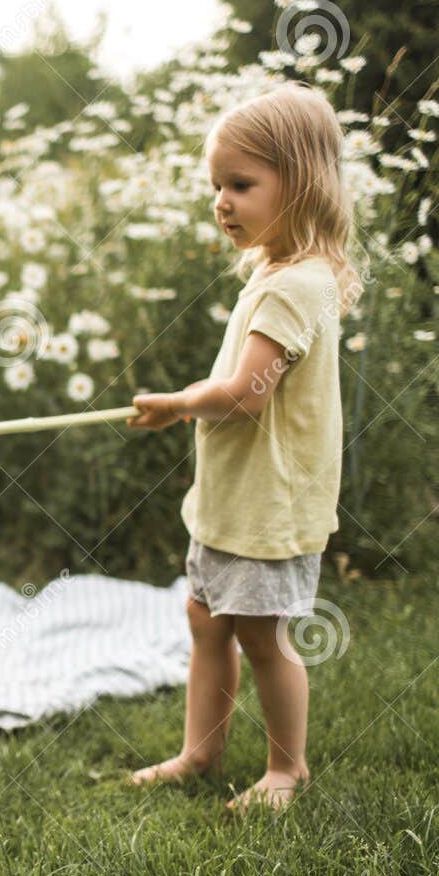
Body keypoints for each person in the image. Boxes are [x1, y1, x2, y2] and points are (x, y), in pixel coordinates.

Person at [126, 82, 358, 812]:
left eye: (241, 184)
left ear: (302, 182)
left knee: (263, 637)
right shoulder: (276, 269)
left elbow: (247, 392)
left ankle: (287, 771)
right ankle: (202, 750)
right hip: (234, 498)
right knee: (206, 618)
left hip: (268, 507)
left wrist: (177, 405)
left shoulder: (297, 285)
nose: (222, 202)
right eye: (216, 187)